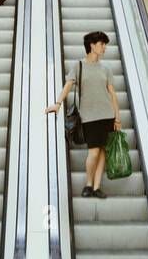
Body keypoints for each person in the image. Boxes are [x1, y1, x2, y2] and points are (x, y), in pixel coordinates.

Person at [46, 30, 121, 199]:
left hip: (107, 115)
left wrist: (117, 117)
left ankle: (96, 186)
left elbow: (113, 94)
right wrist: (58, 104)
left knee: (102, 151)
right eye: (102, 44)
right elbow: (68, 85)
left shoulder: (106, 68)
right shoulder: (78, 66)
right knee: (94, 151)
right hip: (88, 116)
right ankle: (88, 184)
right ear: (92, 45)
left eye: (105, 45)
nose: (104, 48)